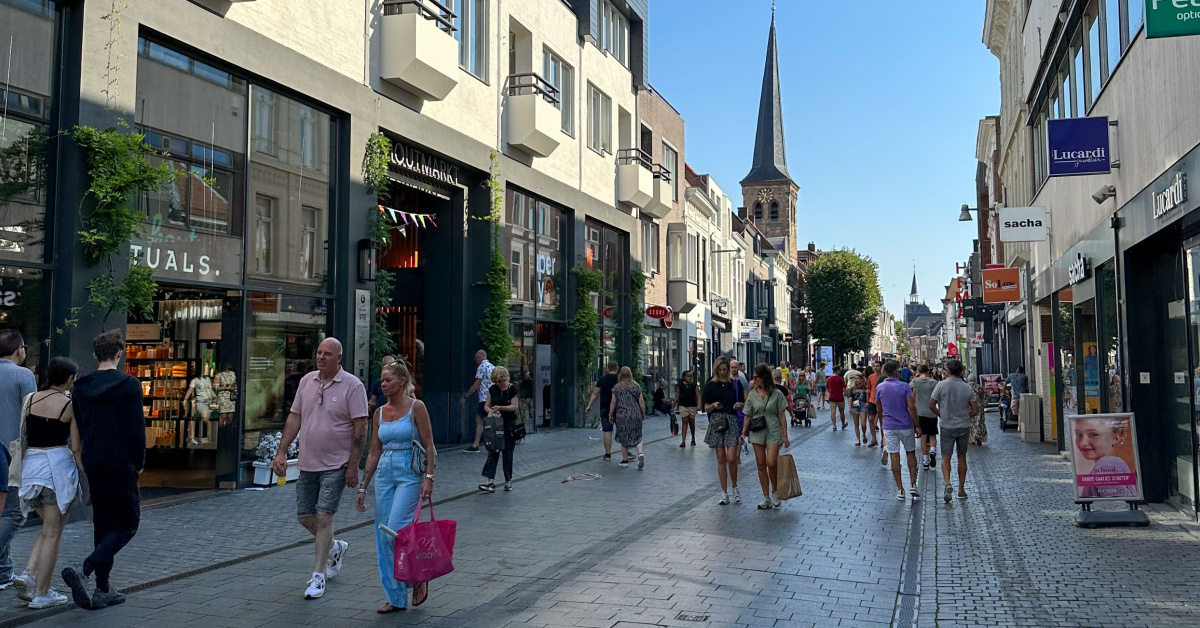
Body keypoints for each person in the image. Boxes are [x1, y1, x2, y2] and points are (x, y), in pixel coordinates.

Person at [272, 338, 368, 600]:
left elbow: (361, 428)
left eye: (328, 354)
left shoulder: (352, 386)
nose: (321, 357)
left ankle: (318, 576)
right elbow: (295, 417)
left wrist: (353, 465)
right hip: (307, 462)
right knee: (305, 516)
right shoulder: (306, 381)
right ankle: (335, 546)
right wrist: (281, 451)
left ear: (339, 358)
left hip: (336, 464)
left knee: (325, 516)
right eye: (319, 352)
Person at [61, 331, 145, 610]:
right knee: (128, 524)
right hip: (121, 460)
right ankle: (84, 569)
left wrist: (84, 462)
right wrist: (139, 462)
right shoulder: (129, 385)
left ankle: (102, 589)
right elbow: (136, 429)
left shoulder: (81, 387)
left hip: (95, 460)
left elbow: (82, 427)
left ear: (95, 355)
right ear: (118, 354)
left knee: (104, 522)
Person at [357, 360, 436, 613]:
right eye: (381, 380)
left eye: (388, 379)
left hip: (409, 473)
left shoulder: (417, 407)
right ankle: (395, 597)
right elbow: (373, 451)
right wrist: (362, 486)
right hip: (384, 473)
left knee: (396, 531)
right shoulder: (378, 413)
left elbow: (429, 445)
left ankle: (417, 576)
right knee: (383, 536)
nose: (383, 384)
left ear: (402, 381)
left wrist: (429, 478)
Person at [15, 358, 82, 609]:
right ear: (69, 379)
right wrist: (83, 470)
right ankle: (42, 592)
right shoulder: (69, 405)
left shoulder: (30, 399)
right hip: (56, 470)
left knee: (47, 529)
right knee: (54, 533)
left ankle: (30, 573)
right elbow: (75, 447)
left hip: (30, 469)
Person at [0, 330, 35, 590]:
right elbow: (29, 417)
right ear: (19, 350)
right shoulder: (24, 375)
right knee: (14, 513)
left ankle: (3, 572)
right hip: (11, 452)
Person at [929, 360, 980, 503]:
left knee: (946, 457)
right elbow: (975, 409)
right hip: (963, 425)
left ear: (947, 371)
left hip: (947, 426)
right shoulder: (967, 387)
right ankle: (961, 489)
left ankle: (947, 483)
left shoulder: (941, 385)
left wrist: (942, 415)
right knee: (962, 457)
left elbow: (931, 405)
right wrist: (965, 416)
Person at [742, 365, 790, 509]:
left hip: (773, 430)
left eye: (756, 377)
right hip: (757, 431)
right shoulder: (752, 394)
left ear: (764, 377)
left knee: (771, 462)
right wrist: (743, 432)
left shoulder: (776, 394)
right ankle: (766, 497)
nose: (754, 380)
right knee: (761, 464)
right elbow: (747, 415)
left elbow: (782, 415)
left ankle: (775, 491)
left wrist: (785, 435)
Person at [876, 360, 921, 501]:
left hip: (889, 425)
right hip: (906, 425)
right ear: (897, 372)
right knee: (910, 453)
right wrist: (917, 425)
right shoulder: (904, 386)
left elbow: (879, 408)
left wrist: (883, 422)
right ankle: (913, 484)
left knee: (894, 455)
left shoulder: (880, 387)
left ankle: (900, 489)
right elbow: (912, 408)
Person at [703, 357, 743, 505]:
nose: (722, 372)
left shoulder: (733, 384)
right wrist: (713, 405)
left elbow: (739, 402)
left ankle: (735, 487)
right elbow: (705, 407)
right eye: (719, 370)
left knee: (732, 458)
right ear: (715, 369)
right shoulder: (710, 385)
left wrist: (738, 405)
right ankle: (724, 492)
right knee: (720, 458)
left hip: (731, 420)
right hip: (717, 421)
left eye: (724, 370)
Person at [1073, 416, 1137, 498]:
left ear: (1115, 439)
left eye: (1093, 434)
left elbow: (1115, 504)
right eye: (1078, 434)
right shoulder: (1113, 462)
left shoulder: (1107, 465)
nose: (1083, 443)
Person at [479, 366, 519, 492]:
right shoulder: (492, 389)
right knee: (493, 450)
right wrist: (491, 410)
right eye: (495, 381)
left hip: (508, 424)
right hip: (496, 423)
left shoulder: (512, 389)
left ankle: (508, 480)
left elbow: (514, 406)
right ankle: (490, 481)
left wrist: (501, 408)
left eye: (500, 381)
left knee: (507, 452)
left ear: (505, 379)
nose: (497, 384)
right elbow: (486, 405)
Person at [609, 367, 646, 469]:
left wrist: (610, 414)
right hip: (635, 414)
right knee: (637, 435)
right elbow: (641, 401)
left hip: (622, 414)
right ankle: (640, 453)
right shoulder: (636, 386)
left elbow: (613, 402)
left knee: (623, 436)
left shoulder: (616, 388)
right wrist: (643, 413)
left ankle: (625, 461)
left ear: (620, 374)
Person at [584, 361, 619, 460]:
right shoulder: (619, 379)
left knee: (607, 431)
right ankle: (627, 453)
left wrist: (589, 405)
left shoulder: (602, 379)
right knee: (622, 430)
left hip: (605, 407)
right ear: (617, 368)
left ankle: (608, 454)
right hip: (619, 407)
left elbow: (595, 393)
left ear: (608, 368)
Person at [462, 350, 495, 452]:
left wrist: (466, 396)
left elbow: (477, 384)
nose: (476, 361)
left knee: (479, 420)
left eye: (476, 358)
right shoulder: (492, 367)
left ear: (480, 357)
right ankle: (491, 442)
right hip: (492, 397)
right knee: (488, 420)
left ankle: (476, 445)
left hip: (484, 398)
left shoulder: (481, 367)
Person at [911, 364, 939, 470]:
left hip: (920, 412)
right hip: (931, 411)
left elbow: (913, 394)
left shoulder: (916, 382)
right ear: (928, 371)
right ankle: (932, 450)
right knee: (932, 435)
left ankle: (925, 461)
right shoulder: (934, 382)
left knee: (923, 437)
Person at [674, 370, 700, 448]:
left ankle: (693, 437)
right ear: (684, 377)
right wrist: (673, 406)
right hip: (683, 405)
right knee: (685, 421)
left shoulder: (694, 385)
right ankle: (683, 441)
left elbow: (698, 395)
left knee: (692, 422)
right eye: (688, 376)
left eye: (691, 376)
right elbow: (677, 396)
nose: (690, 378)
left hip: (692, 406)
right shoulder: (680, 385)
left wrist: (699, 404)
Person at [865, 361, 883, 448]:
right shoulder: (871, 377)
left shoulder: (884, 377)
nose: (875, 368)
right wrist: (867, 401)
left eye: (877, 366)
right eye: (874, 366)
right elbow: (868, 389)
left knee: (882, 421)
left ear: (881, 367)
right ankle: (874, 439)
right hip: (872, 400)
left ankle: (884, 439)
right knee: (871, 419)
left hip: (882, 402)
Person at [849, 374, 869, 446]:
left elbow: (867, 396)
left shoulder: (865, 388)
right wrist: (850, 407)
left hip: (863, 406)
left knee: (863, 424)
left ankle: (864, 434)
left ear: (861, 379)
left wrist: (867, 402)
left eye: (857, 378)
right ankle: (858, 440)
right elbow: (850, 398)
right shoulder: (852, 389)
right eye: (855, 378)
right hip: (855, 406)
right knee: (856, 424)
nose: (856, 380)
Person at [970, 376, 989, 446]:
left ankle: (972, 438)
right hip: (979, 407)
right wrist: (984, 403)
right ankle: (979, 438)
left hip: (969, 407)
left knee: (971, 423)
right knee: (980, 422)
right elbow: (986, 396)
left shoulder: (966, 387)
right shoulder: (979, 387)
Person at [826, 366, 847, 431]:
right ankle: (843, 424)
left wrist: (827, 396)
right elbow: (843, 389)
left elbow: (827, 389)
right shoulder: (841, 379)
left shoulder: (829, 379)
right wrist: (847, 395)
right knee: (842, 412)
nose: (840, 371)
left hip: (832, 397)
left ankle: (834, 426)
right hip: (840, 397)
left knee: (833, 412)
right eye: (839, 370)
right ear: (837, 370)